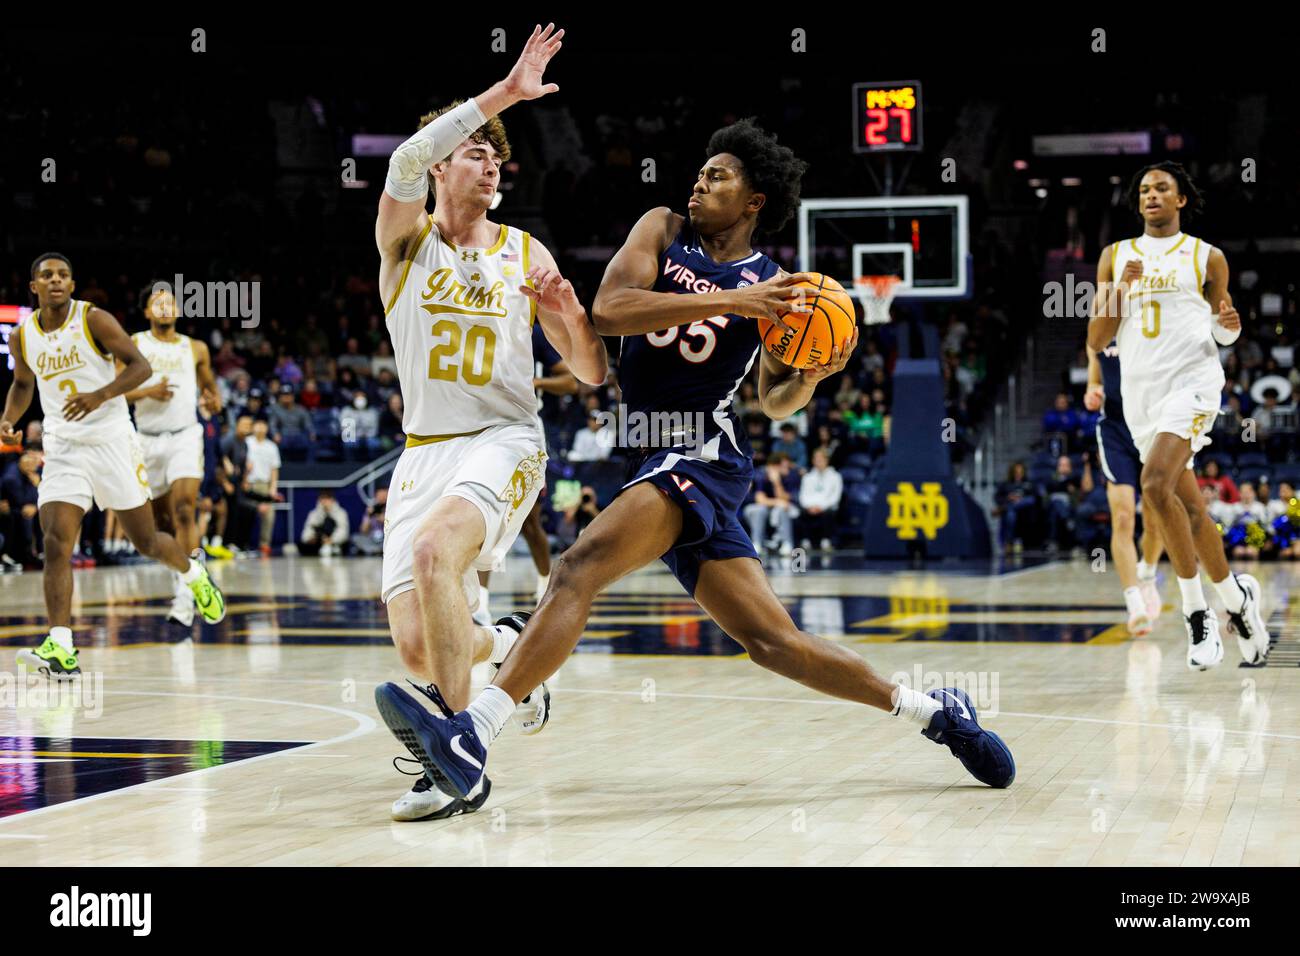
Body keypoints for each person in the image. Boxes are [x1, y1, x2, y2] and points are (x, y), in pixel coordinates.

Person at [375, 116, 1014, 812]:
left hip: (702, 452)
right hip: (652, 455)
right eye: (702, 172)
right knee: (775, 644)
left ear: (754, 201)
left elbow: (774, 400)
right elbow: (612, 312)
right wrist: (732, 300)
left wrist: (813, 375)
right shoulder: (662, 228)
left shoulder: (779, 286)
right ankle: (937, 713)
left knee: (578, 566)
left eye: (719, 176)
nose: (700, 182)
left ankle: (472, 733)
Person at [368, 24, 608, 822]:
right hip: (422, 456)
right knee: (418, 646)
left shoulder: (523, 251)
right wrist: (504, 91)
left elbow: (591, 373)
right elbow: (401, 163)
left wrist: (572, 323)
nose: (491, 160)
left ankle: (454, 764)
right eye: (474, 149)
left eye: (498, 154)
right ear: (441, 165)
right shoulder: (404, 246)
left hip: (504, 443)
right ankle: (509, 648)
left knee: (438, 552)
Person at [3, 254, 225, 679]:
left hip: (112, 441)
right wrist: (8, 419)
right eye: (47, 276)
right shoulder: (22, 336)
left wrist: (100, 395)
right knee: (55, 541)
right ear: (33, 286)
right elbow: (22, 384)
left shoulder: (95, 319)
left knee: (145, 540)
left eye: (63, 275)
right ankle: (62, 645)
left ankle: (193, 573)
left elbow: (140, 366)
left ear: (71, 284)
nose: (56, 281)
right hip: (64, 444)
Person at [1087, 161, 1270, 669]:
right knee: (1187, 509)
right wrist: (1119, 290)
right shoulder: (1115, 256)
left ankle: (1197, 615)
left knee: (1152, 486)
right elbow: (1098, 340)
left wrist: (1230, 327)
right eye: (1144, 190)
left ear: (1180, 199)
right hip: (1142, 398)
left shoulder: (1206, 257)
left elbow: (1224, 329)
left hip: (1192, 387)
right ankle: (1236, 599)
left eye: (1161, 188)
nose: (1150, 196)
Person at [126, 286, 223, 630]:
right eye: (158, 303)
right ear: (147, 312)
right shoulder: (134, 344)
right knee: (161, 526)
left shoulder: (195, 348)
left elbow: (210, 388)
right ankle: (186, 575)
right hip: (146, 440)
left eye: (171, 303)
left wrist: (213, 400)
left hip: (184, 434)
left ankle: (187, 597)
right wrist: (149, 390)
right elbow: (116, 390)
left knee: (185, 509)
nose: (166, 308)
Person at [1085, 342, 1165, 635]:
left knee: (1157, 518)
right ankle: (1134, 602)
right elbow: (1094, 379)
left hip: (1153, 426)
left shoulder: (1150, 317)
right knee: (1122, 518)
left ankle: (1148, 574)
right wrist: (1092, 391)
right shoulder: (1100, 329)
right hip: (1115, 430)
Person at [744, 451, 799, 556]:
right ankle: (757, 543)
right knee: (759, 510)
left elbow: (787, 499)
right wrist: (778, 502)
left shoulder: (790, 476)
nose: (787, 469)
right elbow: (760, 500)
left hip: (784, 509)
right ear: (775, 466)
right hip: (756, 508)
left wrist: (776, 482)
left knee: (782, 509)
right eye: (784, 466)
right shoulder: (761, 475)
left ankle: (787, 543)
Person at [242, 418, 282, 555]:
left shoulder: (271, 446)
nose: (260, 428)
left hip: (264, 485)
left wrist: (273, 488)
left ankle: (265, 545)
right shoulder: (247, 442)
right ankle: (243, 544)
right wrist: (244, 479)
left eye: (263, 425)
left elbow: (274, 469)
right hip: (249, 484)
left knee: (269, 514)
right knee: (247, 512)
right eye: (257, 424)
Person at [798, 447, 841, 551]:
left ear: (827, 460)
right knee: (801, 512)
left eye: (821, 459)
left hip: (827, 507)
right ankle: (806, 541)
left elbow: (835, 497)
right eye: (816, 459)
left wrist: (821, 507)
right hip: (811, 507)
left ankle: (826, 541)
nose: (818, 462)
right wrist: (810, 507)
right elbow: (803, 496)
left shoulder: (835, 476)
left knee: (829, 513)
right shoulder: (807, 477)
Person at [300, 490, 350, 556]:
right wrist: (310, 539)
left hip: (335, 542)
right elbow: (308, 529)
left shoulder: (341, 513)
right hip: (318, 542)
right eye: (322, 499)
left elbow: (343, 531)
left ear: (332, 500)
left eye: (327, 499)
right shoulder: (314, 513)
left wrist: (331, 540)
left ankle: (333, 549)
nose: (324, 501)